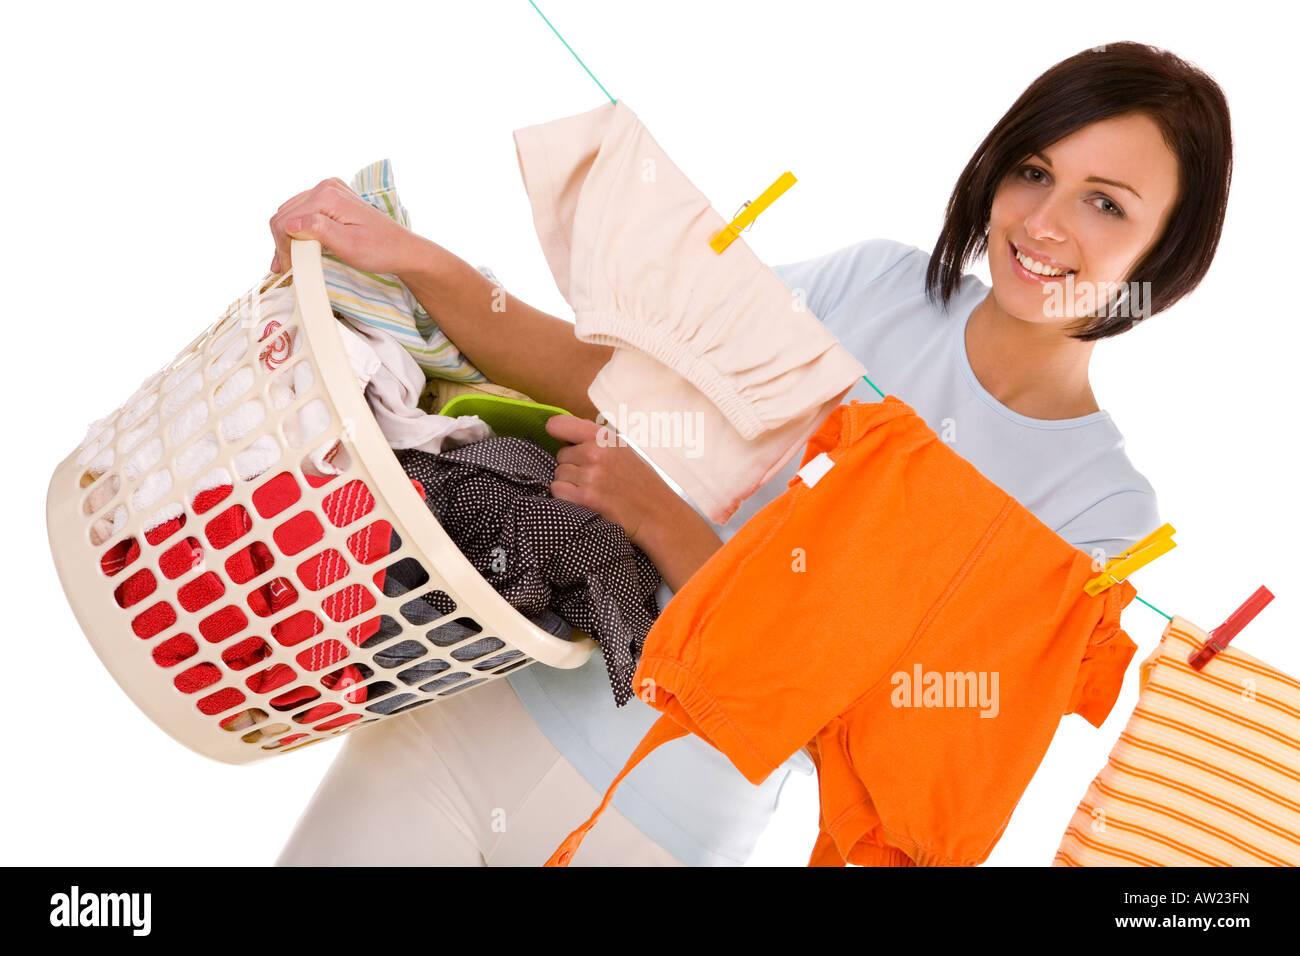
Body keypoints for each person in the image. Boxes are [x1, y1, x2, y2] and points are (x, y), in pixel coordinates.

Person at [272, 41, 1232, 866]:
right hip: (477, 706)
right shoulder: (880, 287)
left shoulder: (1099, 510)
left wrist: (662, 520)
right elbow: (614, 380)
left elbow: (869, 740)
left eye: (1106, 205)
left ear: (1168, 251)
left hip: (660, 836)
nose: (1044, 223)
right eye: (1033, 171)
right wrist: (417, 261)